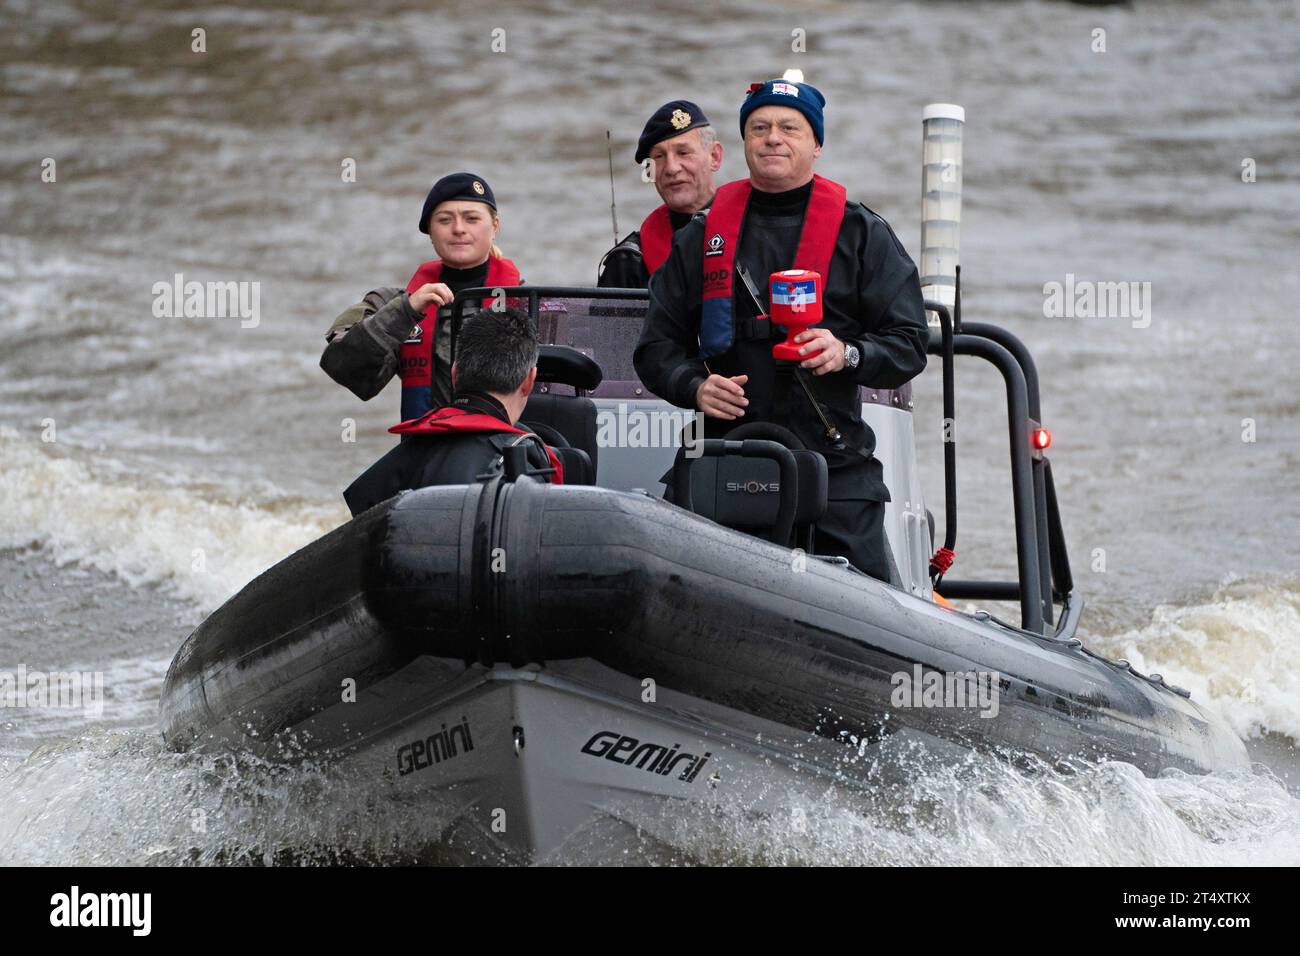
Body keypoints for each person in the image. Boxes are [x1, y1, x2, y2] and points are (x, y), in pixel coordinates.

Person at [632, 79, 929, 582]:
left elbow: (910, 342)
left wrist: (847, 353)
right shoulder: (702, 237)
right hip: (724, 452)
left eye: (789, 127)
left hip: (835, 462)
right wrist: (694, 385)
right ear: (742, 143)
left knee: (874, 608)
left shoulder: (862, 235)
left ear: (816, 143)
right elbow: (656, 347)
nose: (773, 138)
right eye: (759, 127)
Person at [321, 172, 522, 424]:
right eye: (445, 220)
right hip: (427, 452)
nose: (459, 229)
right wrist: (405, 311)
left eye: (471, 219)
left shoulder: (527, 304)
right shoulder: (389, 303)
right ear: (429, 230)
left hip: (503, 452)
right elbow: (341, 367)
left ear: (494, 227)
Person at [342, 307, 562, 516]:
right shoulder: (529, 461)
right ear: (529, 381)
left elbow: (360, 509)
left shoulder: (407, 452)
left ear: (455, 374)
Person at [597, 101, 723, 288]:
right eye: (659, 157)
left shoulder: (752, 232)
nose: (671, 168)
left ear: (714, 157)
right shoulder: (627, 263)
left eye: (683, 152)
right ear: (649, 171)